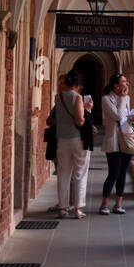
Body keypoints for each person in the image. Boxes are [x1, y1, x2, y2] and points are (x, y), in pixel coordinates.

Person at [47, 70, 90, 218]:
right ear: (78, 85)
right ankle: (78, 209)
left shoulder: (58, 97)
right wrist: (87, 111)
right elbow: (79, 120)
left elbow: (58, 118)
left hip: (62, 139)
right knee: (80, 173)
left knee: (63, 174)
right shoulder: (77, 97)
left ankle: (63, 208)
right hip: (77, 140)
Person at [99, 73, 134, 214]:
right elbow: (118, 116)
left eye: (126, 82)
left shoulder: (127, 98)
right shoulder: (106, 99)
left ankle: (118, 204)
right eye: (124, 82)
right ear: (116, 86)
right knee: (113, 173)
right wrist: (122, 98)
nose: (127, 84)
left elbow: (125, 118)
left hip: (125, 140)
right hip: (113, 141)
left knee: (123, 174)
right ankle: (104, 204)